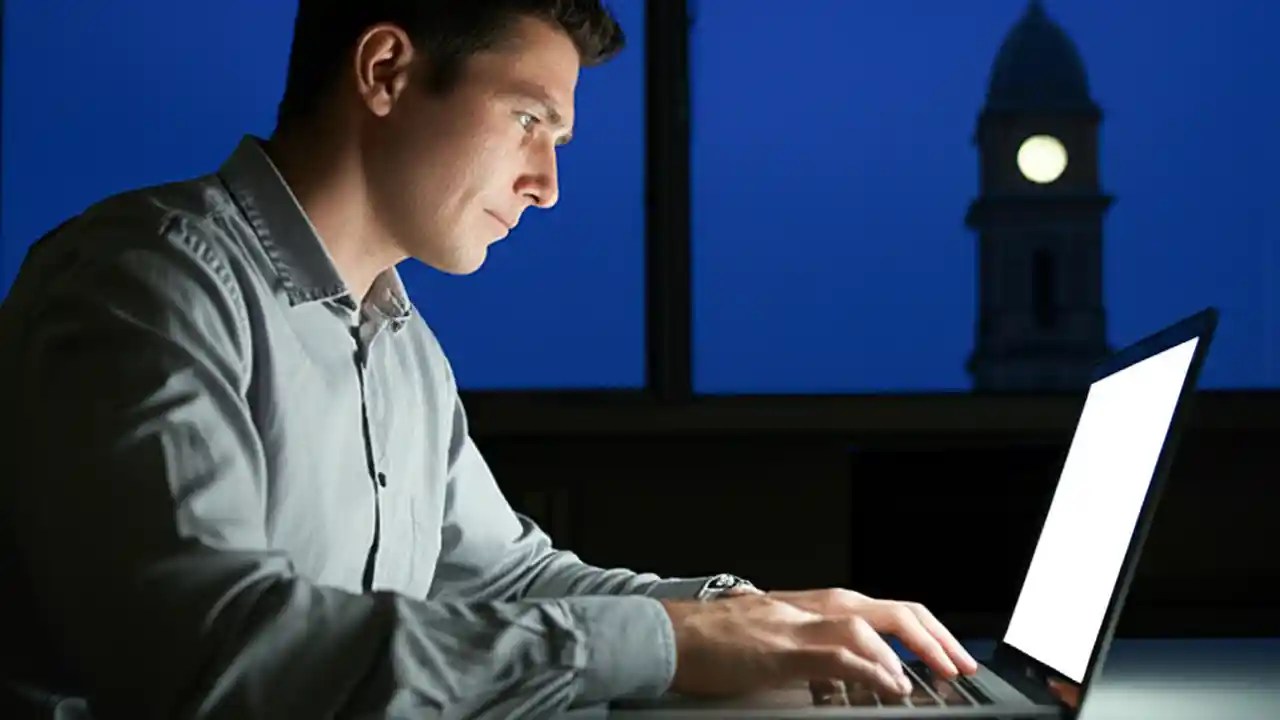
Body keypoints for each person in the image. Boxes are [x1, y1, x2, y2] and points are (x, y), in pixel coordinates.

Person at [0, 1, 978, 717]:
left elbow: (503, 582)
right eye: (527, 120)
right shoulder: (144, 285)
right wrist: (672, 641)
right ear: (384, 71)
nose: (547, 185)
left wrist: (754, 617)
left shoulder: (400, 345)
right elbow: (215, 657)